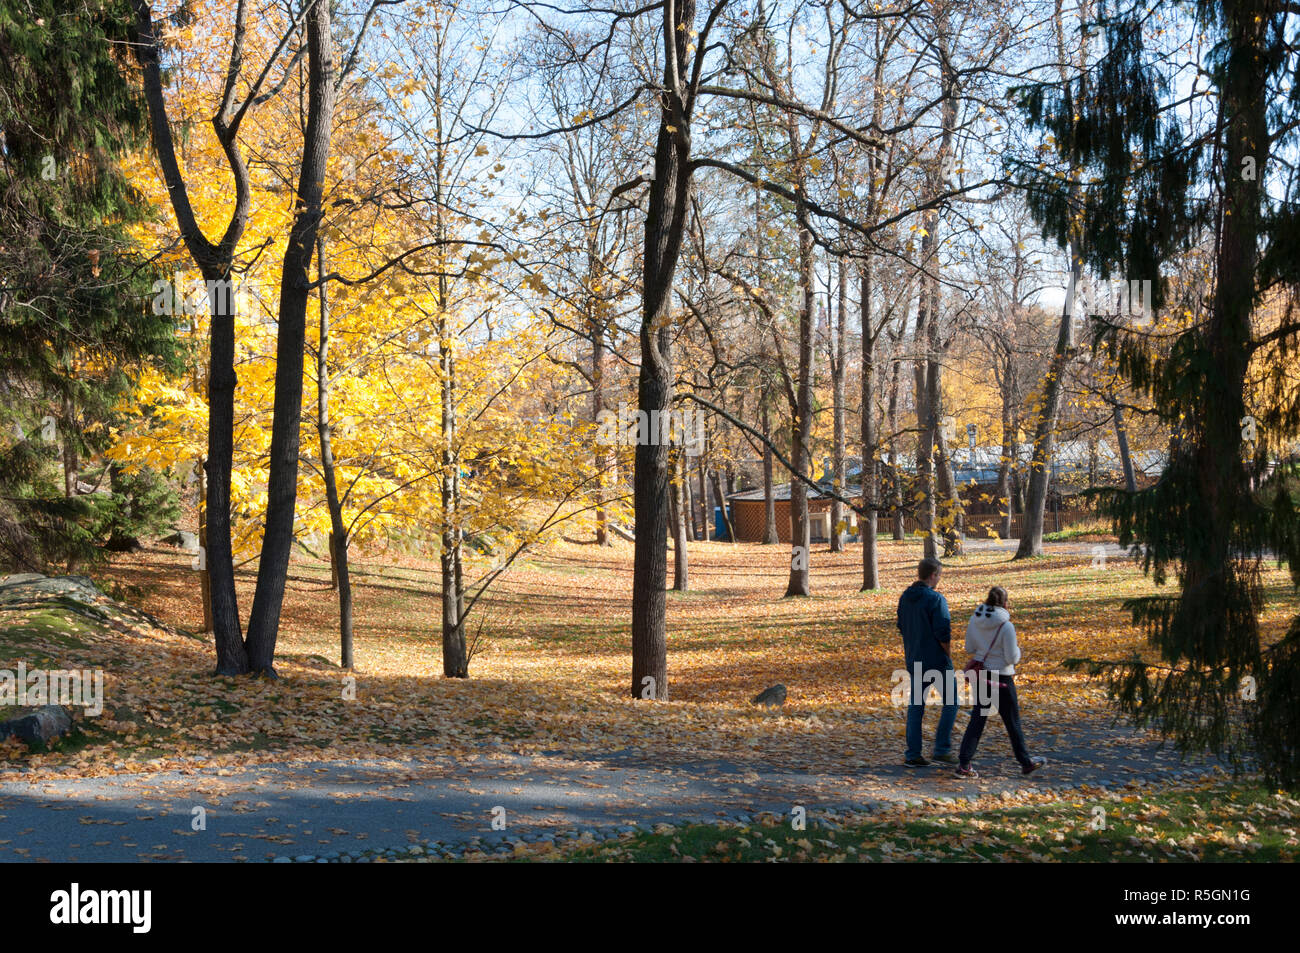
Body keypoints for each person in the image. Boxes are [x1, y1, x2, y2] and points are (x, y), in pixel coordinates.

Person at [955, 585, 1047, 778]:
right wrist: (1018, 650)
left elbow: (969, 647)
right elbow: (1012, 657)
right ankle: (1025, 762)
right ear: (1005, 603)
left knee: (977, 720)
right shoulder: (1006, 626)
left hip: (981, 676)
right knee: (1012, 722)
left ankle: (964, 764)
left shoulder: (975, 619)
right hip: (1002, 678)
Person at [897, 557, 958, 767]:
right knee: (951, 702)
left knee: (916, 706)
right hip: (937, 660)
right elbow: (943, 632)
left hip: (914, 658)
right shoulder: (936, 599)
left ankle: (913, 753)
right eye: (939, 575)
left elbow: (901, 625)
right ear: (933, 575)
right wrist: (948, 655)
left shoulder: (905, 598)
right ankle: (941, 749)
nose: (940, 578)